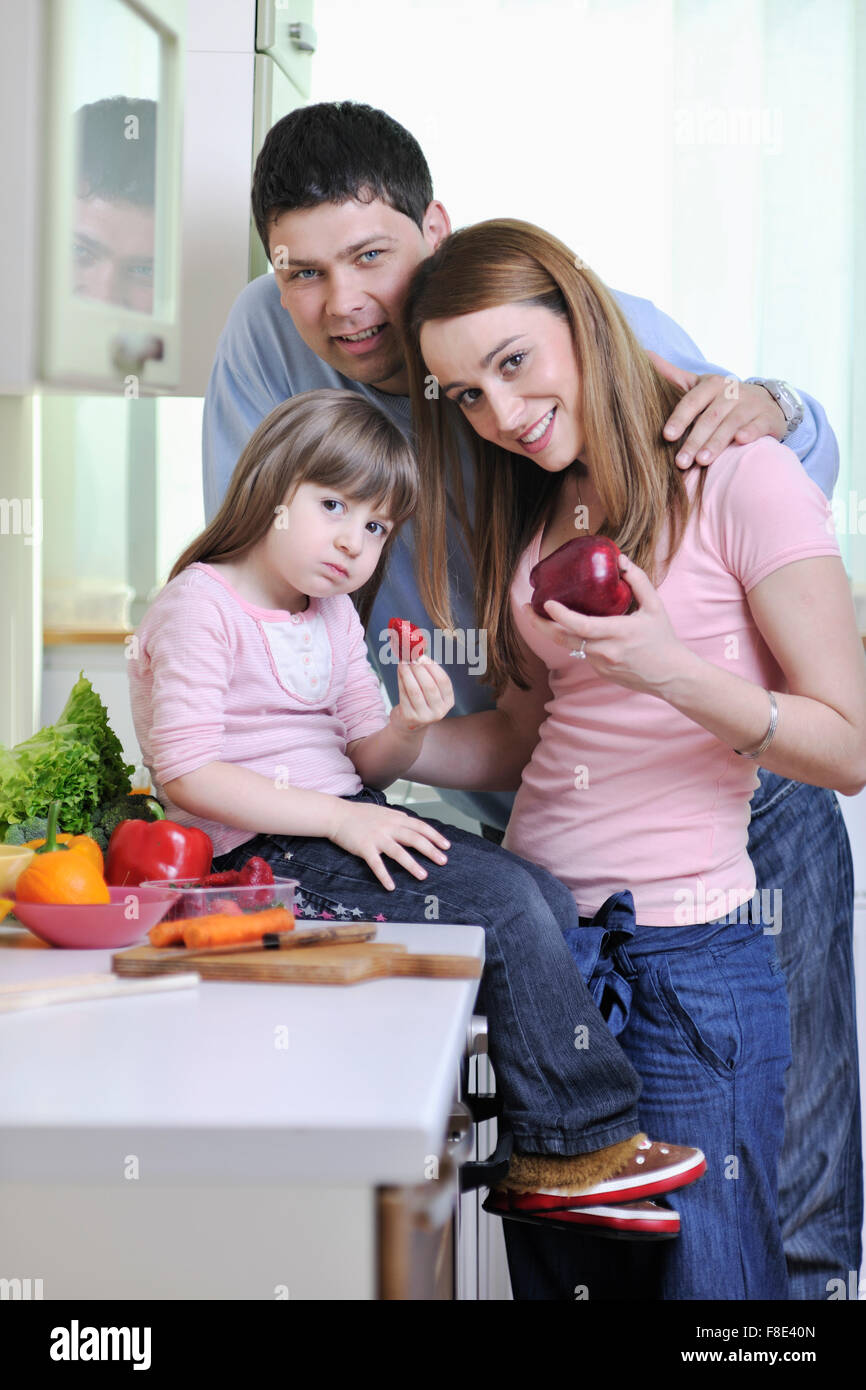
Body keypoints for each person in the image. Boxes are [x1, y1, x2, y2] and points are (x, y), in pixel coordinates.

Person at [201, 101, 860, 1298]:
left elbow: (766, 483)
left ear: (430, 231)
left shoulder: (571, 328)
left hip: (714, 854)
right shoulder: (475, 457)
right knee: (596, 1246)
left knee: (758, 1233)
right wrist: (369, 752)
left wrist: (781, 405)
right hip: (535, 861)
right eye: (303, 271)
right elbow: (272, 576)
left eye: (369, 260)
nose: (342, 304)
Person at [397, 216, 866, 1299]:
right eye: (465, 394)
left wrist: (668, 668)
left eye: (512, 363)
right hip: (547, 961)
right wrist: (387, 740)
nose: (500, 415)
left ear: (583, 314)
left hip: (684, 966)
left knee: (713, 1298)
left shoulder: (742, 476)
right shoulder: (539, 504)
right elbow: (518, 735)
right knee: (575, 1289)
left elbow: (845, 744)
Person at [129, 386, 707, 1240]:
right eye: (334, 507)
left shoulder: (325, 613)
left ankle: (531, 1141)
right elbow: (185, 770)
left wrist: (408, 724)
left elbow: (370, 757)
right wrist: (337, 818)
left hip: (338, 823)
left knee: (540, 895)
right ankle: (580, 1145)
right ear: (271, 487)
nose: (353, 542)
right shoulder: (199, 607)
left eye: (375, 529)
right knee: (508, 905)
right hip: (264, 858)